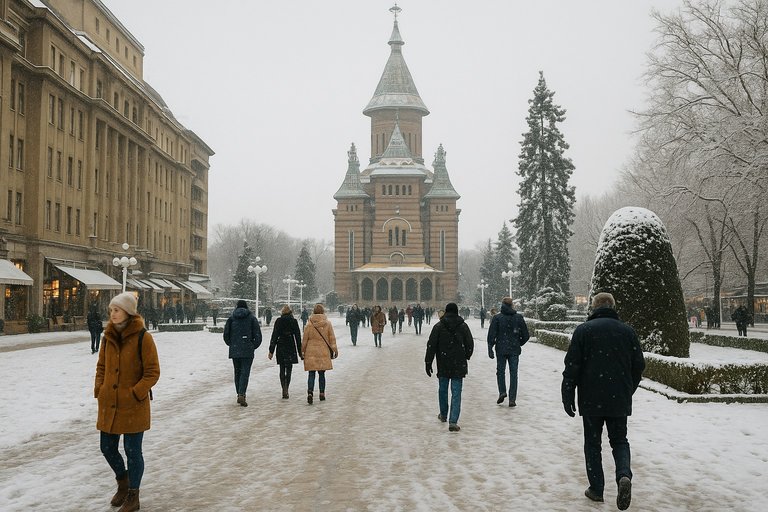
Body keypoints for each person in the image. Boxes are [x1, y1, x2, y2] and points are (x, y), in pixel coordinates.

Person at [561, 292, 645, 511]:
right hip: (619, 398)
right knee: (619, 440)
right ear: (613, 307)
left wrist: (567, 394)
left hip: (591, 398)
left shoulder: (583, 331)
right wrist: (628, 389)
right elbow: (639, 365)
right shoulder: (627, 332)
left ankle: (596, 489)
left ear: (593, 307)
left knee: (592, 443)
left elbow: (572, 366)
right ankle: (624, 475)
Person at [94, 292, 160, 512]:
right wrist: (100, 388)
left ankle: (134, 495)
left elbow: (152, 372)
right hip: (109, 404)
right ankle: (123, 482)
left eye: (116, 310)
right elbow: (101, 367)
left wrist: (136, 393)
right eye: (111, 310)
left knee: (133, 451)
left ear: (128, 312)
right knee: (107, 448)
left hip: (133, 405)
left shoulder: (143, 337)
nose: (112, 314)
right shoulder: (107, 337)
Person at [425, 302, 474, 432]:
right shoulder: (463, 326)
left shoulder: (439, 326)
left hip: (443, 362)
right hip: (459, 363)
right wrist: (466, 356)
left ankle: (443, 414)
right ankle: (453, 421)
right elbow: (470, 344)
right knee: (456, 392)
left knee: (443, 390)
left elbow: (431, 345)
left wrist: (428, 362)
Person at [487, 297, 530, 407]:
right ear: (512, 305)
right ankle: (512, 399)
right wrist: (518, 342)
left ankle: (502, 391)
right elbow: (526, 335)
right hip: (514, 349)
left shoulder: (497, 318)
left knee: (500, 371)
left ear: (502, 305)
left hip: (501, 348)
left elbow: (492, 334)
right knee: (513, 373)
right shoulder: (518, 317)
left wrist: (490, 347)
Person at [223, 299, 262, 407]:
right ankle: (242, 393)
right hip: (247, 350)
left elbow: (226, 335)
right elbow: (258, 336)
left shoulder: (231, 319)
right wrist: (252, 346)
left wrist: (232, 344)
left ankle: (239, 393)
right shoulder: (252, 319)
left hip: (235, 350)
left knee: (237, 372)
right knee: (245, 373)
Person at [301, 303, 338, 404]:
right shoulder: (327, 323)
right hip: (323, 351)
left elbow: (304, 340)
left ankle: (310, 392)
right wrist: (335, 350)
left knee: (311, 373)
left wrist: (302, 351)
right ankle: (322, 393)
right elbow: (332, 339)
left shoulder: (309, 324)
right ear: (323, 312)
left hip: (311, 351)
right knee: (321, 374)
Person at [268, 305, 302, 399]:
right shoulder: (293, 321)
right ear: (290, 312)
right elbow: (298, 337)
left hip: (281, 345)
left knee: (282, 368)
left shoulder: (279, 321)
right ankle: (287, 386)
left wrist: (271, 350)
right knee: (289, 368)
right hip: (290, 344)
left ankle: (284, 387)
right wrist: (300, 351)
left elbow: (274, 336)